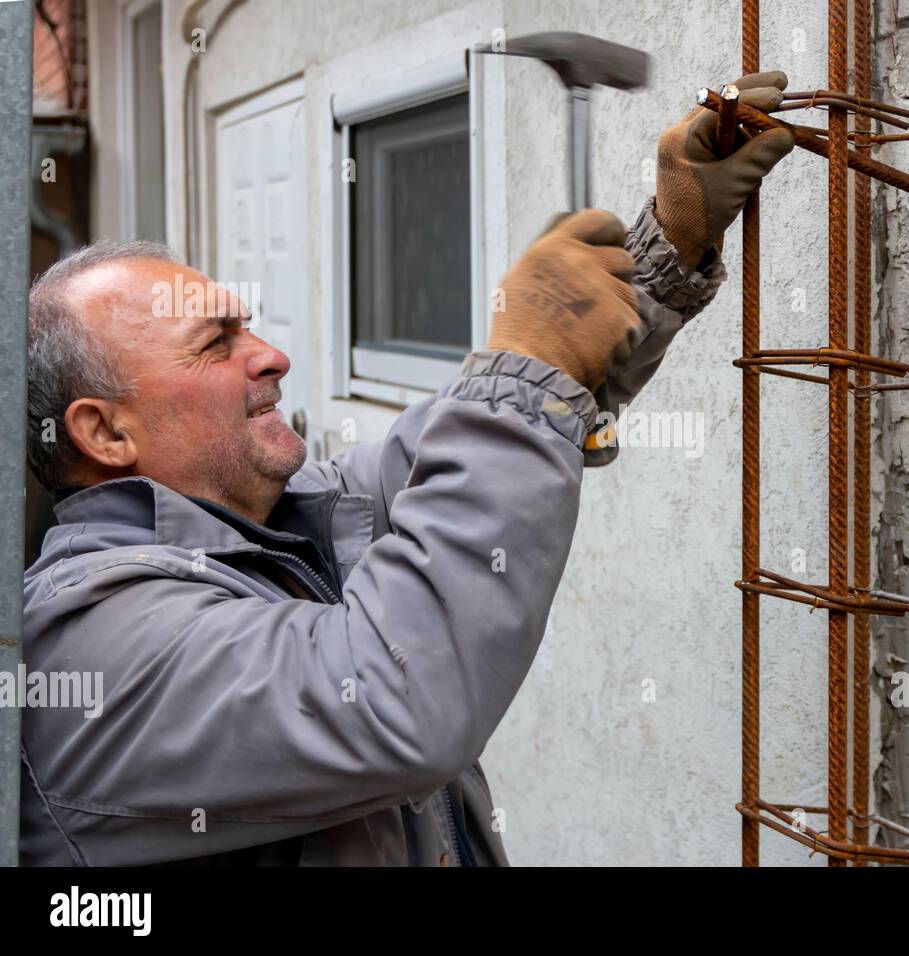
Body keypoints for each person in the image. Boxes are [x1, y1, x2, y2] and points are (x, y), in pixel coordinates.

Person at [18, 72, 794, 865]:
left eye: (247, 328)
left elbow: (472, 431)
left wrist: (667, 242)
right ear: (104, 433)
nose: (273, 356)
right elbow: (396, 699)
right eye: (217, 345)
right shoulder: (96, 647)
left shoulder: (277, 522)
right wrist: (531, 356)